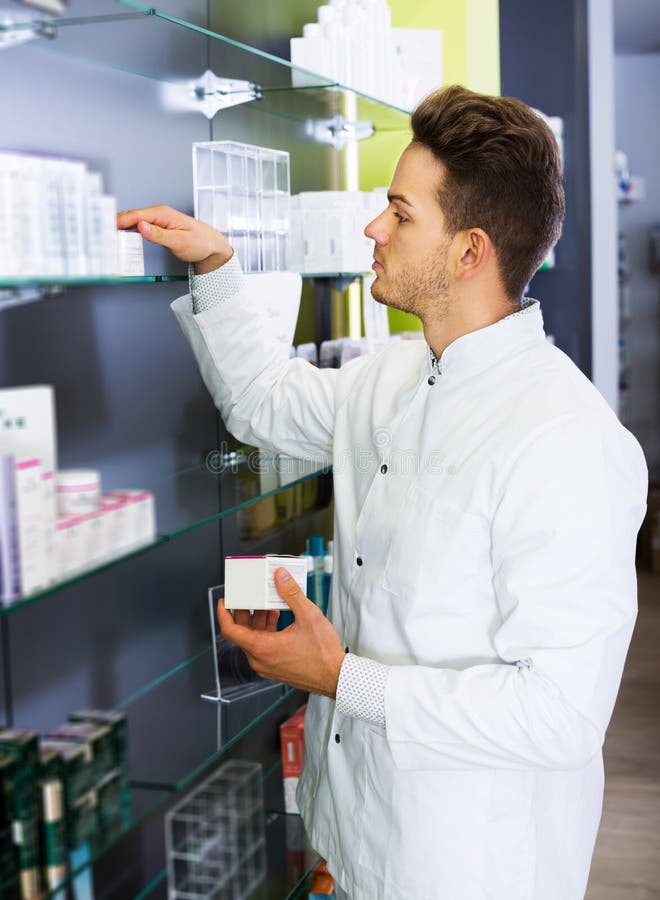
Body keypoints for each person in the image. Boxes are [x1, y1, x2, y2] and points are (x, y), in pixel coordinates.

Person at [118, 84, 647, 900]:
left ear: (469, 253)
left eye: (400, 213)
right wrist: (217, 268)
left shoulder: (566, 439)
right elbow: (264, 402)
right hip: (359, 835)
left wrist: (341, 678)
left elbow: (560, 715)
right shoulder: (395, 374)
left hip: (469, 868)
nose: (374, 228)